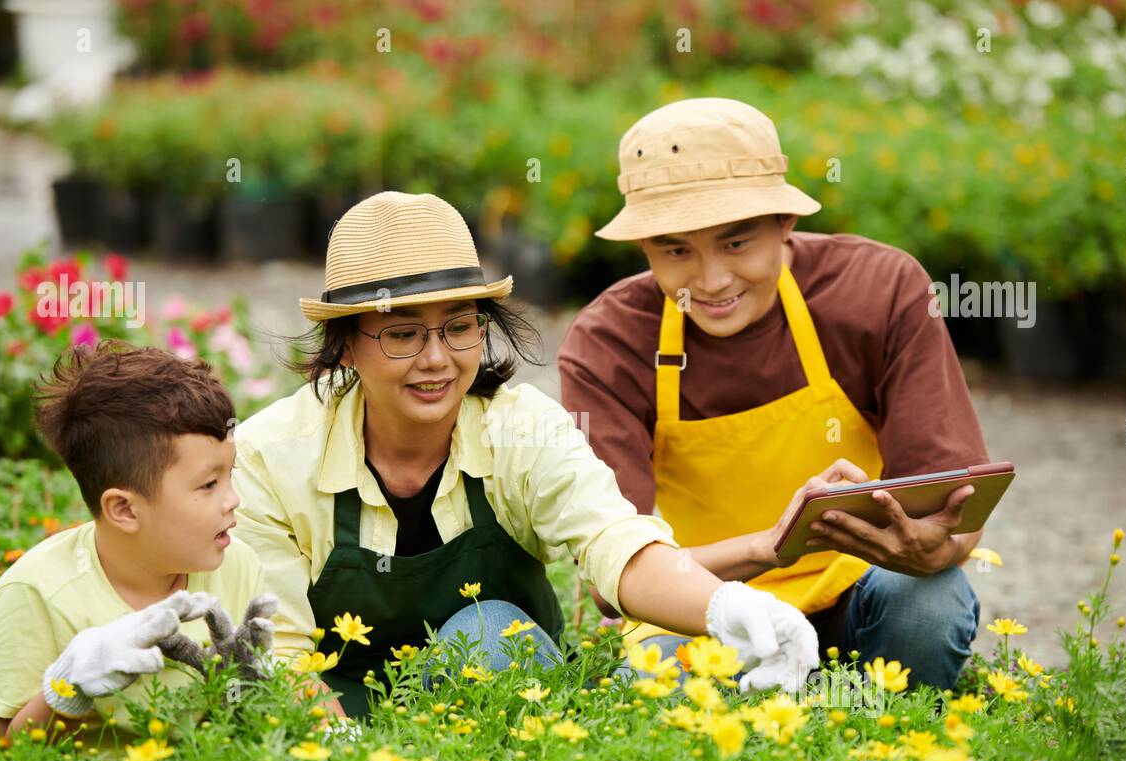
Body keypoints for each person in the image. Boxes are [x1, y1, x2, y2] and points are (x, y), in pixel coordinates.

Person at [231, 190, 819, 719]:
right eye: (403, 334)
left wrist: (727, 608)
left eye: (459, 327)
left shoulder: (521, 427)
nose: (437, 359)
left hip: (510, 711)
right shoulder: (271, 456)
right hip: (337, 718)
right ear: (347, 347)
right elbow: (277, 655)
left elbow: (614, 543)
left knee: (495, 635)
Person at [558, 98, 989, 691]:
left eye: (736, 243)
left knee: (928, 604)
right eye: (675, 249)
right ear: (644, 246)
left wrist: (936, 549)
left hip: (862, 584)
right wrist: (769, 548)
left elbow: (954, 501)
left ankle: (893, 739)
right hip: (707, 606)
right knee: (659, 672)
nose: (711, 281)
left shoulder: (877, 290)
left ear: (785, 222)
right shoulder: (610, 341)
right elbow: (616, 569)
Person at [0, 342, 277, 754]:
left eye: (229, 475)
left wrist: (244, 691)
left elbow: (234, 734)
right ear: (124, 509)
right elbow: (2, 749)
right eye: (208, 485)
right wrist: (67, 690)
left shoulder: (236, 566)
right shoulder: (36, 593)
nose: (232, 499)